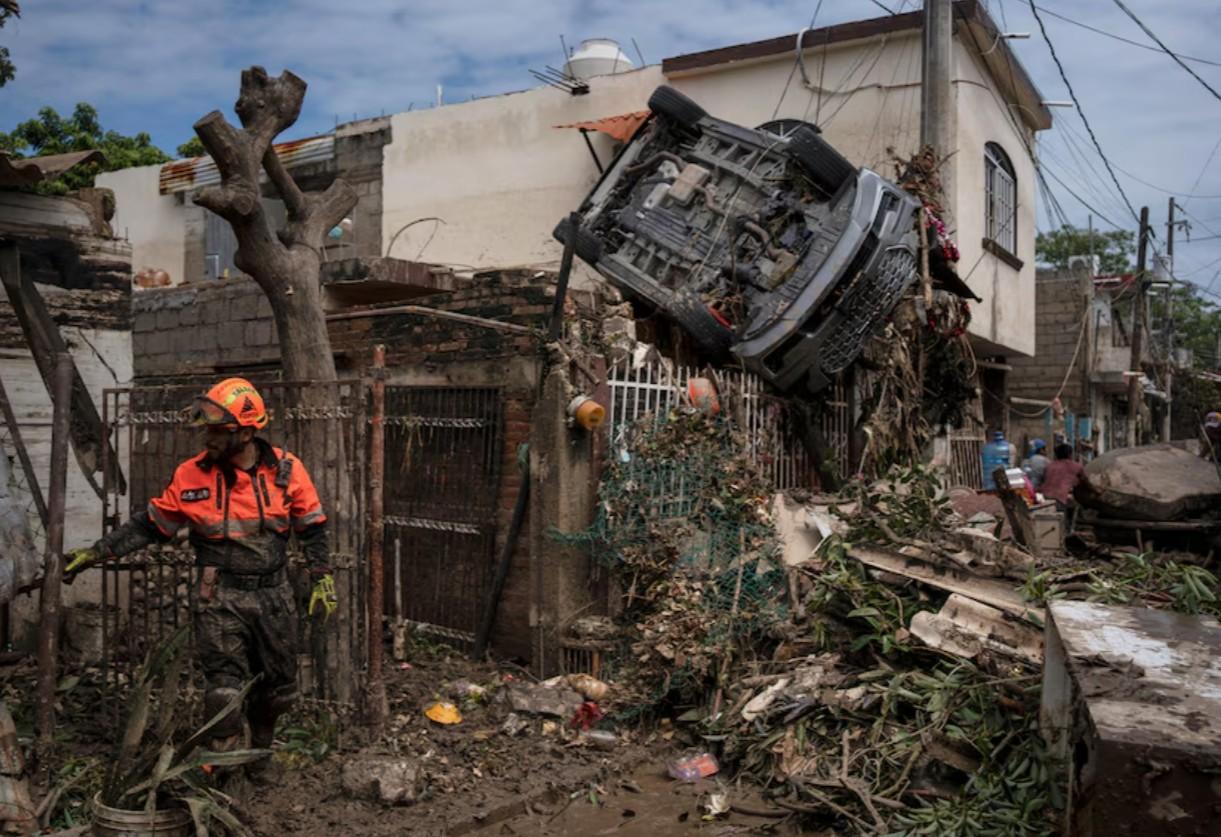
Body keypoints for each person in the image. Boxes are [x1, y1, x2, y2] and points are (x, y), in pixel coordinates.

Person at [63, 378, 336, 783]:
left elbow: (312, 528)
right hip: (219, 595)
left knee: (279, 690)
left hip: (274, 595)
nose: (206, 437)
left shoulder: (287, 472)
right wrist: (97, 551)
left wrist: (322, 579)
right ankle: (221, 773)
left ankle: (260, 751)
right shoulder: (191, 475)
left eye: (216, 430)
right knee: (223, 690)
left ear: (245, 432)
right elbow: (151, 526)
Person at [1041, 443, 1087, 514]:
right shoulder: (1076, 466)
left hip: (1043, 498)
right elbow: (1086, 482)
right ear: (1070, 454)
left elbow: (1046, 480)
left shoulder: (1049, 466)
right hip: (1059, 499)